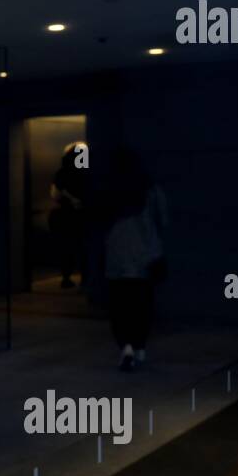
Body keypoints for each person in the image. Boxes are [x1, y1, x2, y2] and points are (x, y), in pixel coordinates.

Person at [102, 149, 167, 371]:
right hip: (144, 259)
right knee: (142, 306)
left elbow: (99, 224)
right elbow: (163, 221)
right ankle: (140, 346)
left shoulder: (110, 191)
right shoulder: (151, 190)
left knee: (120, 307)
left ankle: (126, 346)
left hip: (117, 260)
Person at [49, 142, 88, 289]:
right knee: (82, 248)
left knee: (67, 248)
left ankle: (66, 277)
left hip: (64, 216)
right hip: (80, 216)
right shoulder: (85, 171)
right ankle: (85, 279)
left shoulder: (62, 172)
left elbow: (54, 193)